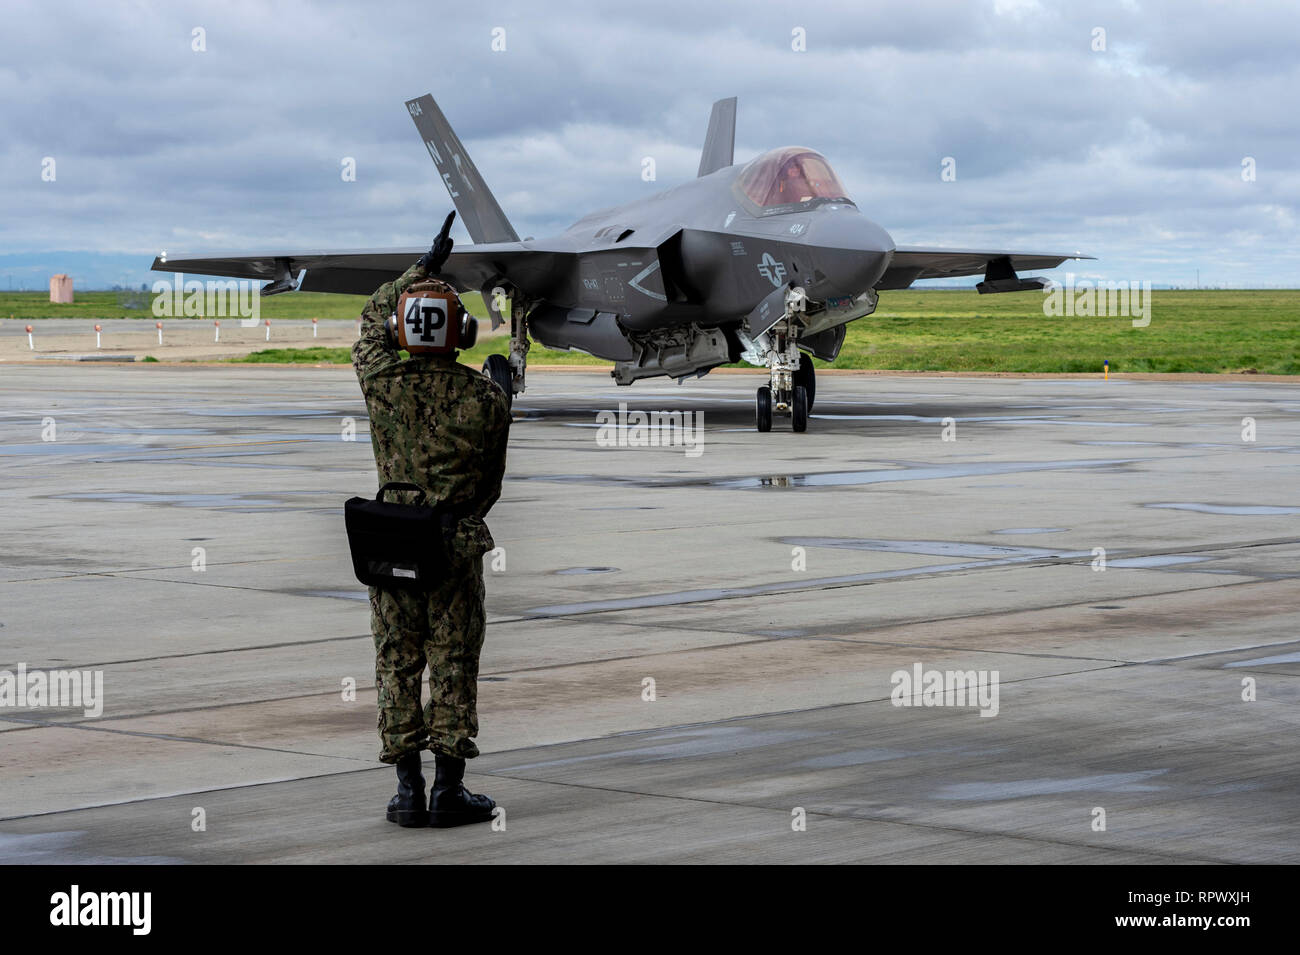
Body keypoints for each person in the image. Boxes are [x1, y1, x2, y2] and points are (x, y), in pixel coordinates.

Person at [352, 212, 511, 828]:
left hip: (390, 538)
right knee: (452, 661)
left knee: (397, 660)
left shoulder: (380, 379)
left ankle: (405, 791)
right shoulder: (483, 398)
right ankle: (449, 789)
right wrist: (499, 392)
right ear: (462, 334)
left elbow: (371, 320)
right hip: (452, 542)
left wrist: (421, 268)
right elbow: (489, 484)